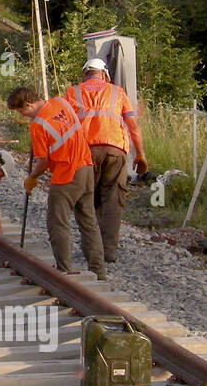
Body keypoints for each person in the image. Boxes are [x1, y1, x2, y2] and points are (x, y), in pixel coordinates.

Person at [6, 85, 106, 280]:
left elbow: (43, 161)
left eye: (21, 111)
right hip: (86, 168)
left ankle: (63, 270)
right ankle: (98, 271)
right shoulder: (61, 102)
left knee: (57, 223)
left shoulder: (37, 125)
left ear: (28, 105)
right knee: (89, 223)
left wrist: (32, 177)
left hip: (66, 176)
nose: (23, 115)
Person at [63, 58, 148, 264]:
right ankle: (108, 252)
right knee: (113, 200)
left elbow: (62, 128)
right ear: (105, 74)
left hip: (84, 153)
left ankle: (92, 252)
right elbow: (133, 126)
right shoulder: (117, 92)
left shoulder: (71, 92)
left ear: (85, 74)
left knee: (87, 200)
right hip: (115, 150)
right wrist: (140, 154)